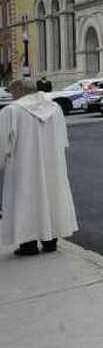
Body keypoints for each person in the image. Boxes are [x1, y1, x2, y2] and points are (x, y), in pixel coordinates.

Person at [0, 79, 78, 256]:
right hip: (52, 163)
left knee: (25, 201)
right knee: (51, 199)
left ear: (19, 90)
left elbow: (2, 144)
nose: (11, 95)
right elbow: (62, 139)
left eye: (12, 91)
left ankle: (28, 244)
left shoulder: (12, 111)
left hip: (23, 165)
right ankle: (50, 240)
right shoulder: (55, 108)